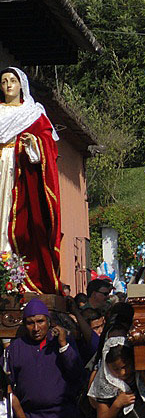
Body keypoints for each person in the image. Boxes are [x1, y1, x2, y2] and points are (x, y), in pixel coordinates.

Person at [0, 67, 61, 294]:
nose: (8, 85)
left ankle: (14, 271)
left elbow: (49, 144)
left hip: (19, 174)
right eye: (4, 81)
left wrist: (33, 143)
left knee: (13, 217)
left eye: (12, 81)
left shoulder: (32, 113)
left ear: (21, 85)